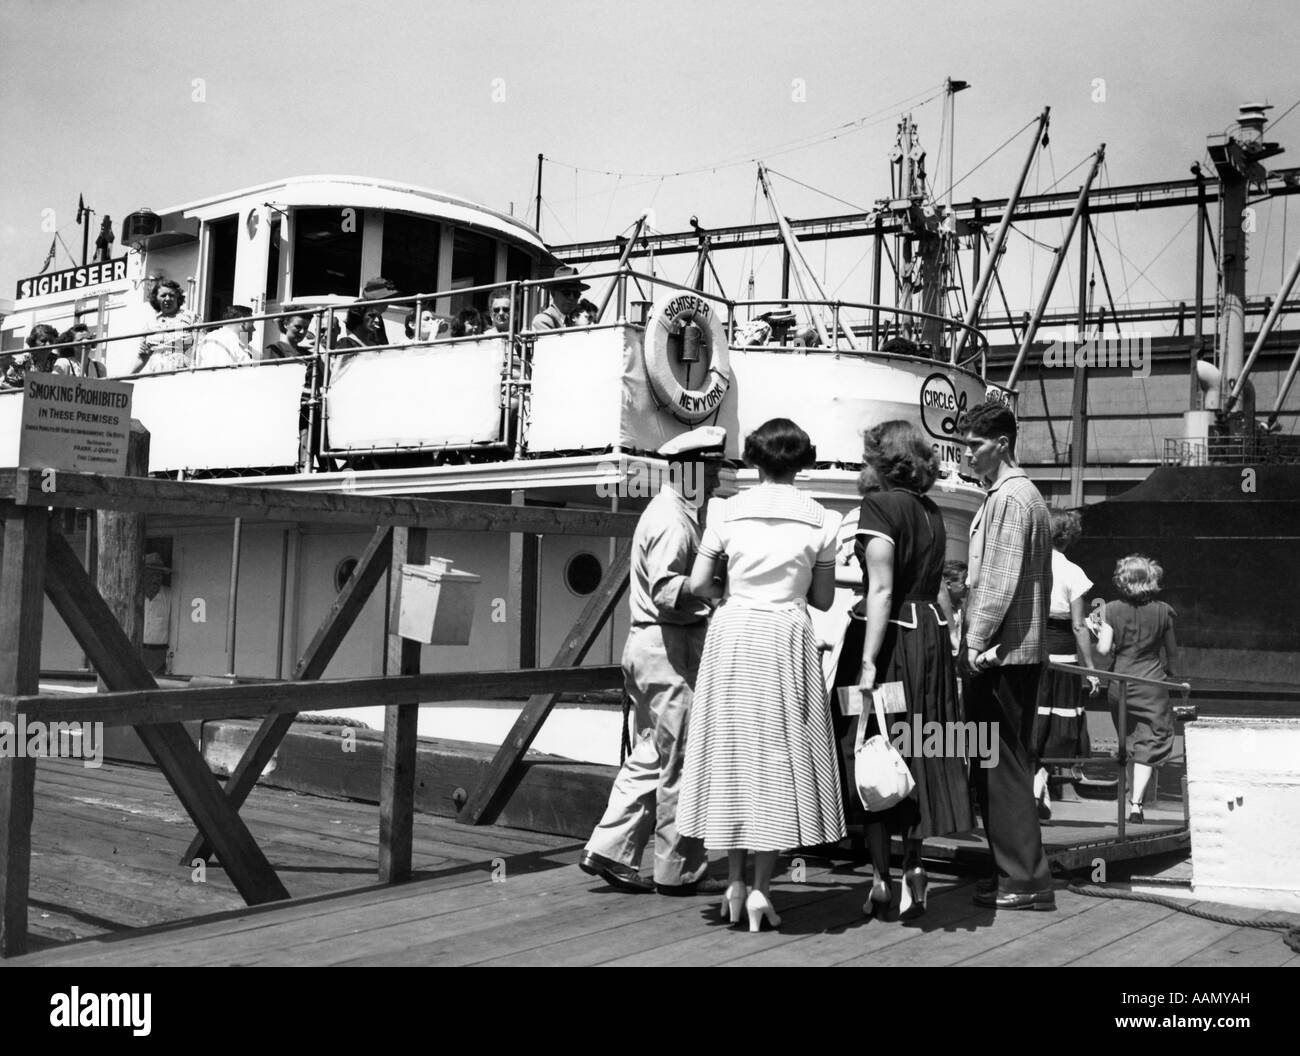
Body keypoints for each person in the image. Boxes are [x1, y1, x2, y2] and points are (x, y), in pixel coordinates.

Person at [677, 418, 846, 932]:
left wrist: (731, 589)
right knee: (775, 759)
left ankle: (732, 883)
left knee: (731, 751)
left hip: (733, 634)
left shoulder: (725, 511)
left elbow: (699, 585)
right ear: (803, 462)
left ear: (754, 460)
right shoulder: (824, 520)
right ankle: (761, 890)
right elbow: (823, 599)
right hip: (785, 636)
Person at [580, 427, 728, 897]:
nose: (717, 479)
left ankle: (609, 850)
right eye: (712, 470)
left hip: (650, 648)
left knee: (651, 754)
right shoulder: (673, 522)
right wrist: (718, 590)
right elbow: (667, 591)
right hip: (670, 649)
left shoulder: (668, 512)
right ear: (690, 471)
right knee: (681, 761)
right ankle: (678, 872)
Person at [853, 420, 976, 921]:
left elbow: (882, 590)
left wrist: (866, 662)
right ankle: (915, 868)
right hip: (928, 638)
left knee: (873, 745)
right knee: (918, 747)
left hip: (891, 642)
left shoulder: (880, 506)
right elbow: (938, 587)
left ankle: (881, 878)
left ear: (883, 460)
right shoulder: (932, 511)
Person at [957, 399, 1054, 910]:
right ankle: (1011, 873)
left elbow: (998, 581)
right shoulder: (1021, 495)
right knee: (1000, 761)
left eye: (975, 445)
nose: (967, 454)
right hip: (1016, 650)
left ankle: (1025, 879)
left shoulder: (1011, 498)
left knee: (1002, 767)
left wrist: (973, 642)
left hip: (1001, 655)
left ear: (1002, 444)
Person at [1093, 555, 1178, 823]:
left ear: (1122, 580)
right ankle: (1136, 804)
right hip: (1152, 685)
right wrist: (1171, 673)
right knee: (1149, 743)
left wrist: (1098, 631)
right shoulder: (1164, 611)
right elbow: (1172, 653)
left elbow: (1103, 650)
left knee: (1129, 741)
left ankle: (1131, 799)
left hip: (1120, 684)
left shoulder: (1110, 610)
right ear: (1151, 579)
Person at [1031, 508, 1102, 818]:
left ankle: (1033, 782)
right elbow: (1078, 626)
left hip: (1031, 654)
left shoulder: (1029, 565)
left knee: (1032, 720)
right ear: (1069, 538)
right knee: (1059, 726)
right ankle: (1040, 781)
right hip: (1062, 658)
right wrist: (1091, 670)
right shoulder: (1073, 572)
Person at [132, 279, 199, 374]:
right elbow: (143, 356)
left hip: (184, 374)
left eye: (171, 295)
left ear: (178, 297)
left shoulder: (191, 317)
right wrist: (124, 378)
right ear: (156, 298)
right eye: (163, 295)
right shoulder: (151, 324)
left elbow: (200, 345)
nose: (167, 298)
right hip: (156, 376)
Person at [142, 553, 173, 676]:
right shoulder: (133, 594)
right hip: (136, 650)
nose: (156, 578)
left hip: (160, 654)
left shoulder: (170, 596)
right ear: (143, 575)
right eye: (151, 574)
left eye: (159, 574)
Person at [531, 266, 587, 330]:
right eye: (566, 292)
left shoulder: (570, 323)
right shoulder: (543, 320)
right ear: (553, 293)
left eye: (576, 294)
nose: (571, 298)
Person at [942, 559, 968, 656]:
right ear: (949, 584)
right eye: (963, 581)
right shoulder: (940, 612)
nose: (967, 585)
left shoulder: (961, 607)